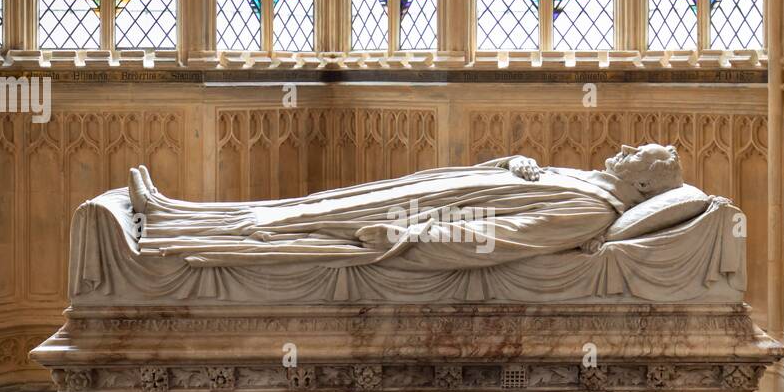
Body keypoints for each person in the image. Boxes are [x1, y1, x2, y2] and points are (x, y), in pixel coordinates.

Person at [127, 144, 683, 269]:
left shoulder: (592, 212)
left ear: (644, 189)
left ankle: (172, 232)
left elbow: (505, 236)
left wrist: (414, 238)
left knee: (312, 220)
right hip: (437, 191)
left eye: (641, 156)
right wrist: (514, 162)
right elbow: (518, 179)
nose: (628, 149)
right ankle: (176, 212)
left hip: (423, 219)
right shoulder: (591, 182)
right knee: (319, 200)